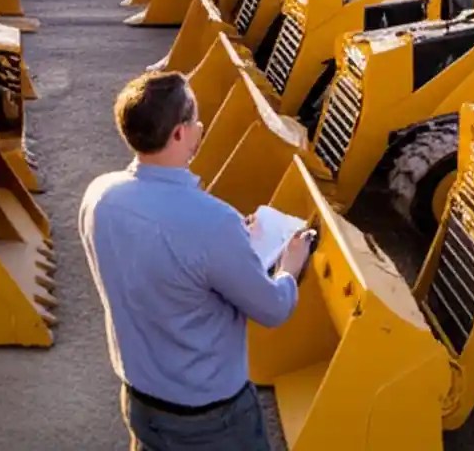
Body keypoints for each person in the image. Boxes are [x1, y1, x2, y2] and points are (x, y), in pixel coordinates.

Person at [79, 70, 312, 450]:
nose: (200, 126)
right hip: (209, 419)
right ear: (178, 134)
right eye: (195, 119)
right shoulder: (212, 222)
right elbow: (272, 309)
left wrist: (229, 239)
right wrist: (289, 267)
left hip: (140, 399)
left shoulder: (100, 195)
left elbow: (161, 260)